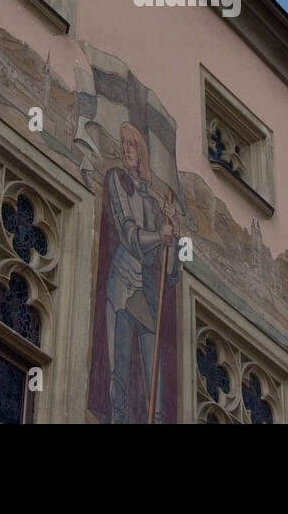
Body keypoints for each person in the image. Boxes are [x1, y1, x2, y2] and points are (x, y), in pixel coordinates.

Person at [101, 123, 179, 422]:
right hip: (123, 281)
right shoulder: (117, 180)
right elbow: (129, 235)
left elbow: (170, 273)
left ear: (142, 151)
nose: (126, 149)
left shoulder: (154, 202)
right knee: (118, 368)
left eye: (131, 144)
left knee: (153, 376)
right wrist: (162, 234)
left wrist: (173, 235)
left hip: (147, 289)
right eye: (123, 143)